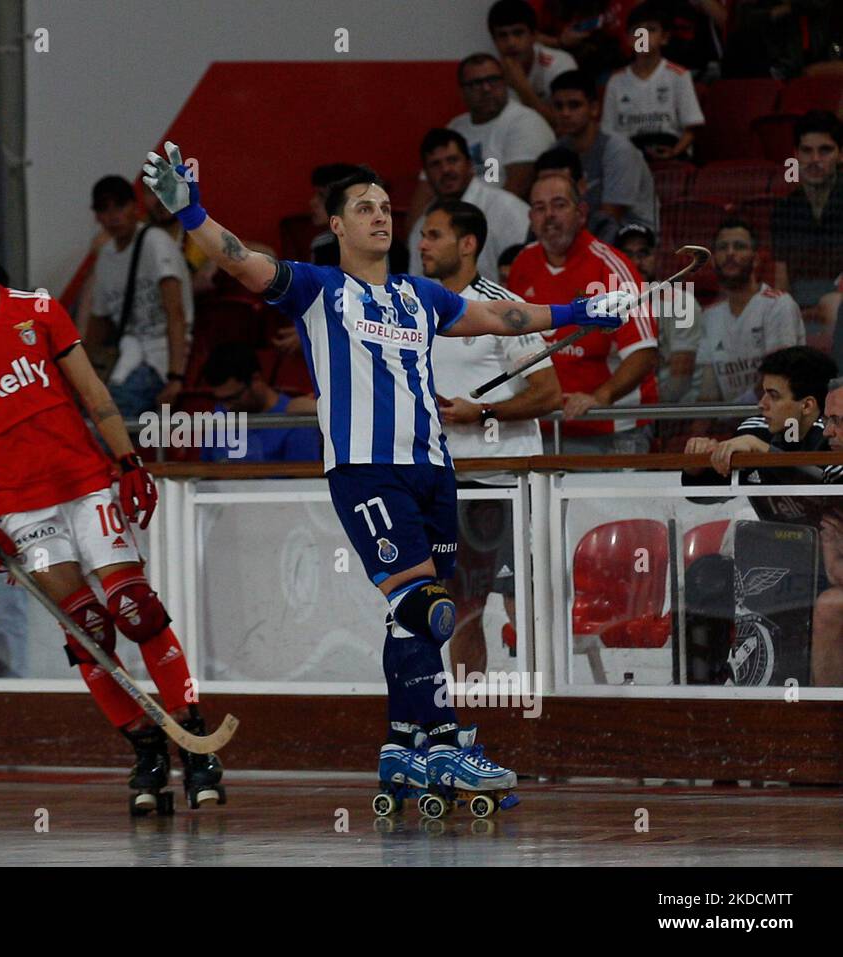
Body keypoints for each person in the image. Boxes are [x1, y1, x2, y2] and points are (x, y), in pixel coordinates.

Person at [142, 142, 631, 810]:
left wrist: (577, 313)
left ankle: (403, 743)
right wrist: (193, 212)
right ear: (337, 226)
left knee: (419, 621)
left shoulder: (418, 294)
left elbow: (501, 316)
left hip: (435, 470)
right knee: (425, 608)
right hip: (367, 472)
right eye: (363, 208)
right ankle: (448, 743)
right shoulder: (318, 288)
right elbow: (241, 261)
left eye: (384, 207)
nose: (380, 217)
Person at [0, 217, 224, 812]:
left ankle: (197, 743)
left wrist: (129, 461)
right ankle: (147, 749)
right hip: (20, 505)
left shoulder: (37, 309)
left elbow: (94, 393)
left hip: (86, 483)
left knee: (136, 609)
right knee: (88, 633)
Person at [419, 199, 562, 674]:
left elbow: (548, 394)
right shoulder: (418, 312)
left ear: (468, 244)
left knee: (522, 607)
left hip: (506, 485)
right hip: (450, 485)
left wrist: (480, 411)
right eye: (423, 235)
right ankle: (473, 717)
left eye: (434, 235)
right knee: (460, 612)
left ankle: (542, 711)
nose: (422, 244)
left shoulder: (504, 310)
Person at [685, 347, 842, 686]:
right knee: (706, 574)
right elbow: (701, 494)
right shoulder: (757, 429)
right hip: (771, 559)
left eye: (773, 395)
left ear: (808, 406)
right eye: (762, 393)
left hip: (825, 565)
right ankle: (705, 695)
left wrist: (767, 454)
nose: (762, 404)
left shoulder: (831, 437)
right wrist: (699, 464)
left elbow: (825, 482)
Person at [507, 173, 659, 453]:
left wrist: (600, 397)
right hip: (543, 429)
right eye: (539, 208)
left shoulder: (611, 266)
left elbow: (643, 351)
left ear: (581, 213)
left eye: (559, 205)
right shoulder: (522, 263)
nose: (549, 216)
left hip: (609, 428)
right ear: (530, 217)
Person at [84, 175, 193, 418]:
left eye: (119, 205)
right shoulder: (105, 257)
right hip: (125, 355)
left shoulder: (156, 244)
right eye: (104, 208)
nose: (113, 215)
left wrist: (175, 376)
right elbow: (97, 323)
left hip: (160, 356)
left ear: (135, 207)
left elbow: (175, 313)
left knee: (109, 419)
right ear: (96, 216)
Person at [697, 218, 805, 403]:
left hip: (775, 422)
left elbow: (777, 380)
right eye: (723, 247)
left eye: (739, 246)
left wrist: (730, 414)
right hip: (731, 425)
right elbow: (709, 389)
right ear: (713, 261)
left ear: (756, 260)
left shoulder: (779, 305)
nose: (730, 253)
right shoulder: (709, 316)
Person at [407, 128, 531, 282]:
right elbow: (417, 286)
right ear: (426, 173)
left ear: (470, 164)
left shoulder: (505, 208)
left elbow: (530, 268)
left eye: (452, 160)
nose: (445, 170)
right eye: (435, 164)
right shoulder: (423, 225)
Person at [549, 69, 657, 242]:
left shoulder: (618, 151)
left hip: (631, 240)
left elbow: (608, 220)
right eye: (559, 106)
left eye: (574, 105)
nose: (565, 113)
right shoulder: (555, 151)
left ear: (594, 108)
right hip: (579, 237)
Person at [600, 1, 706, 160]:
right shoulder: (616, 80)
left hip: (670, 147)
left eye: (650, 30)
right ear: (629, 38)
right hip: (629, 153)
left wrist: (674, 152)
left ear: (664, 37)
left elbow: (691, 129)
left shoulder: (679, 75)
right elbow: (608, 133)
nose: (643, 36)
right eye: (638, 31)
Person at [448, 52, 557, 201]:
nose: (486, 88)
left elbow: (513, 197)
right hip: (457, 215)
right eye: (476, 83)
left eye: (493, 80)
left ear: (505, 83)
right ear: (462, 91)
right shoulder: (455, 127)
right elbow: (428, 187)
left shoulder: (526, 122)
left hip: (498, 219)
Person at [614, 222, 700, 403]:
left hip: (666, 410)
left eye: (643, 253)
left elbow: (680, 380)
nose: (636, 262)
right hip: (616, 407)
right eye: (627, 255)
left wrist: (644, 410)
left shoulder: (681, 302)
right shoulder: (603, 306)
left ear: (658, 258)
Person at [199, 342, 320, 463]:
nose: (226, 407)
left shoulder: (297, 424)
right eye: (220, 400)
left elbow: (302, 480)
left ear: (256, 380)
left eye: (233, 398)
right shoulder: (220, 413)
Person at [771, 111, 843, 315]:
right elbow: (781, 282)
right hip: (799, 306)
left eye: (825, 150)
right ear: (796, 155)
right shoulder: (784, 210)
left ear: (841, 154)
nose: (814, 159)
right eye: (807, 151)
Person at [489, 0, 578, 129]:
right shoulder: (490, 74)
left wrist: (522, 88)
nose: (511, 43)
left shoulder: (560, 63)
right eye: (503, 35)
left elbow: (567, 127)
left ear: (534, 36)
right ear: (494, 40)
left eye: (518, 33)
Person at [814, 376, 843, 685]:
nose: (828, 431)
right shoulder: (832, 470)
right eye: (826, 420)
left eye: (838, 421)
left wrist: (835, 564)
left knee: (831, 605)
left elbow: (836, 573)